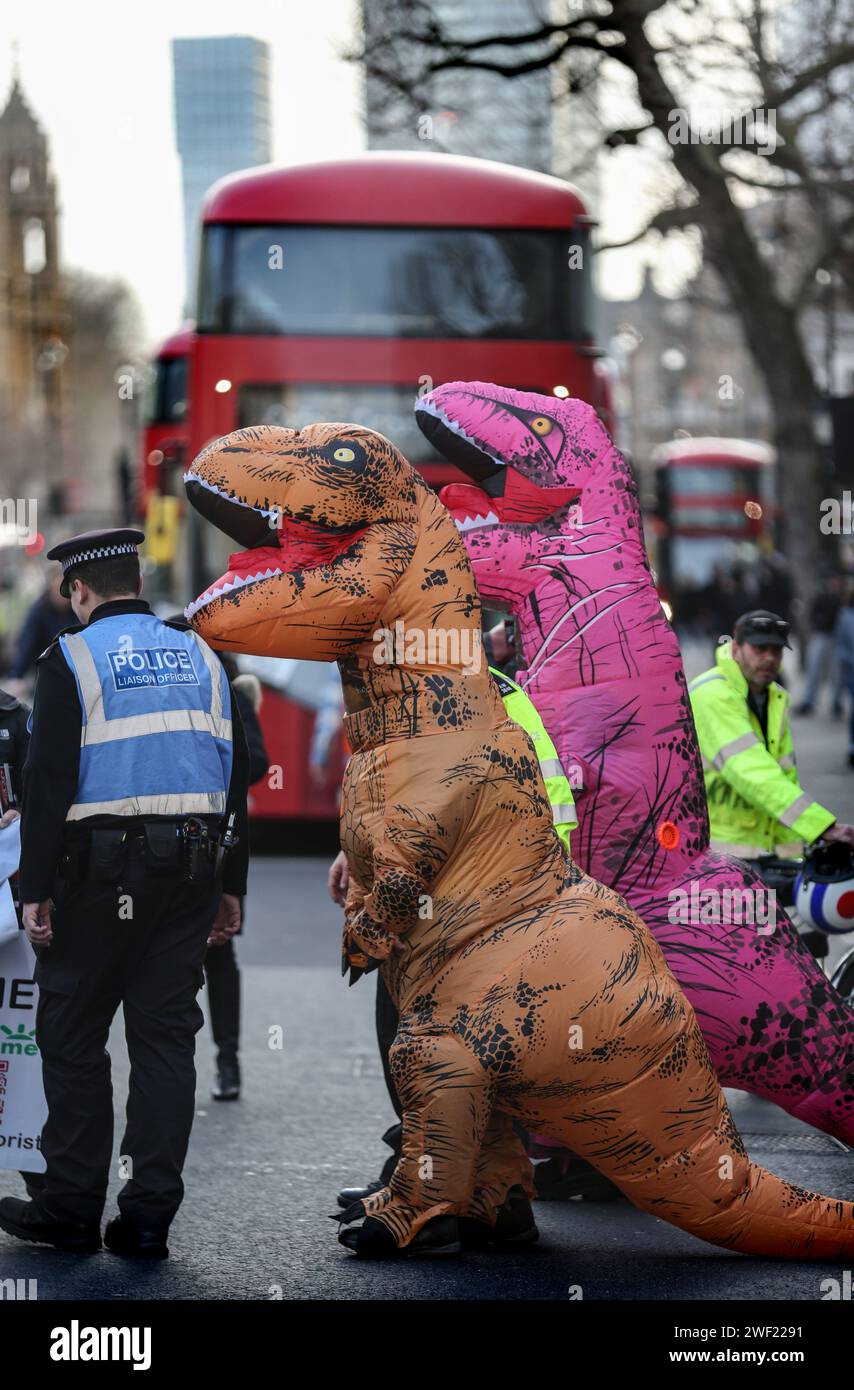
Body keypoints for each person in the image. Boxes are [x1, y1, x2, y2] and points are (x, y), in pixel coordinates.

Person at [0, 528, 250, 1260]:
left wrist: (34, 888)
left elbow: (46, 786)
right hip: (192, 876)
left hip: (97, 880)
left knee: (73, 1036)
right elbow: (234, 779)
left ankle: (71, 1208)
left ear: (78, 591)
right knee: (165, 1040)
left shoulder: (72, 659)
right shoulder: (202, 653)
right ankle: (147, 1219)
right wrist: (232, 885)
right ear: (136, 578)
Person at [330, 664, 578, 1214]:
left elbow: (416, 811)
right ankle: (498, 1196)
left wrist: (381, 912)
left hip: (451, 918)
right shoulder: (495, 692)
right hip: (498, 909)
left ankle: (434, 1191)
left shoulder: (431, 698)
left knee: (420, 1046)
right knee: (478, 1053)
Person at [689, 609, 854, 861]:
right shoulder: (713, 694)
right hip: (720, 852)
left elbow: (784, 778)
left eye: (776, 651)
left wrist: (795, 854)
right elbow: (752, 771)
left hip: (761, 849)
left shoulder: (777, 696)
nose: (769, 658)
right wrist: (819, 826)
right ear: (735, 649)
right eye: (759, 649)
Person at [6, 568, 72, 687]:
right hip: (47, 669)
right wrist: (16, 675)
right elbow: (27, 643)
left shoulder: (75, 610)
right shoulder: (39, 611)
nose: (62, 595)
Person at [798, 575, 843, 717]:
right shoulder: (822, 597)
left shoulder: (840, 598)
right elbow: (813, 614)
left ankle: (836, 702)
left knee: (836, 673)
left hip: (835, 637)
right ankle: (809, 701)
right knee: (814, 669)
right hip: (822, 635)